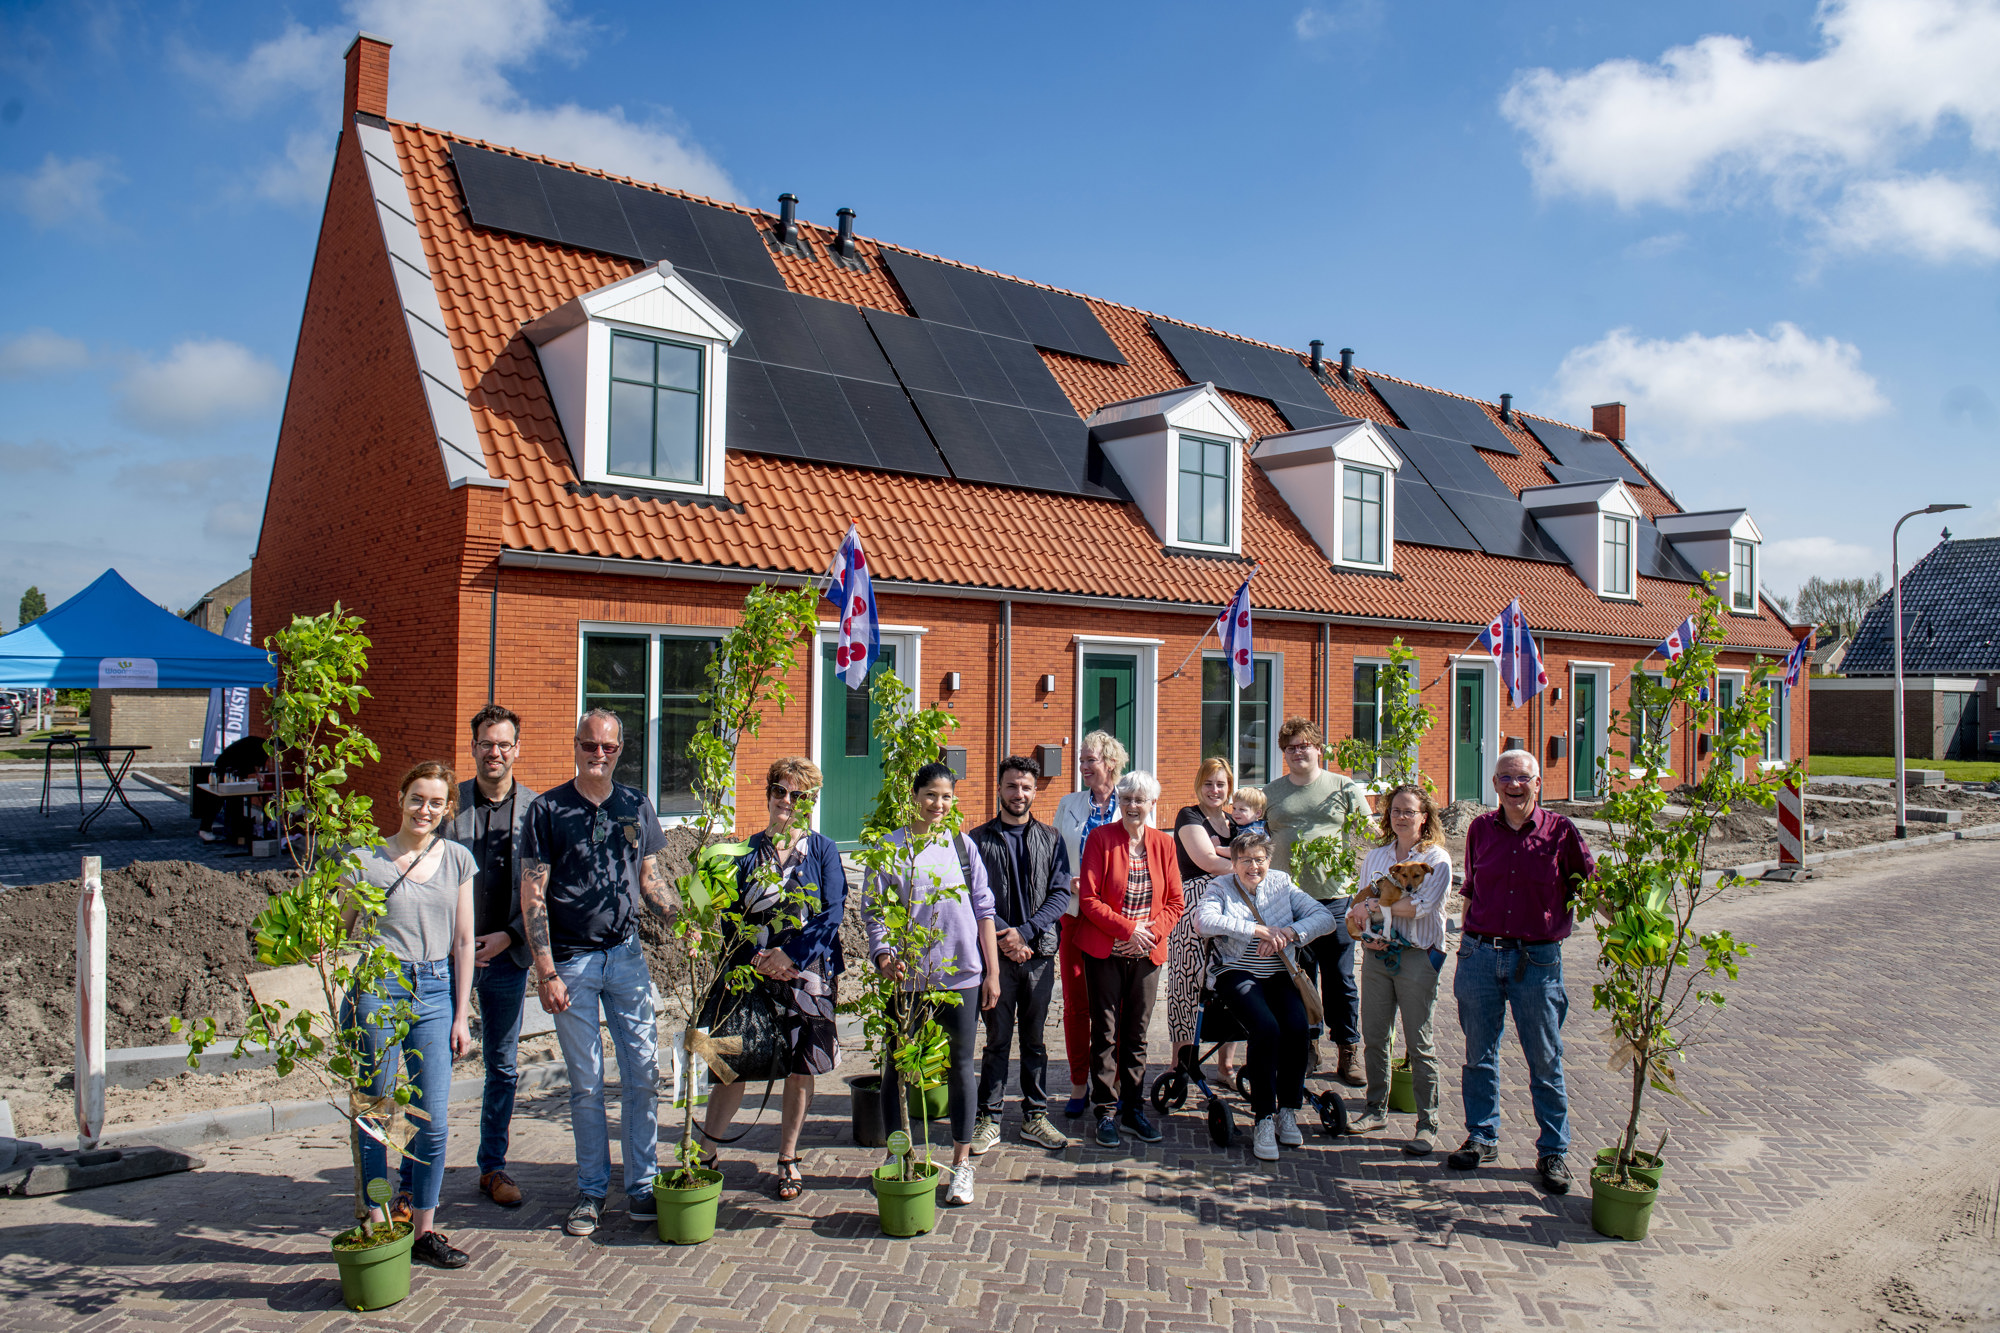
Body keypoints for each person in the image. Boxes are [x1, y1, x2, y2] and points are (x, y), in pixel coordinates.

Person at [519, 709, 683, 1238]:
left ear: (619, 751)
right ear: (576, 746)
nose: (598, 754)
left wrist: (684, 920)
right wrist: (546, 970)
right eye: (589, 745)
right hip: (571, 962)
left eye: (608, 747)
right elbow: (533, 893)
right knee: (587, 1082)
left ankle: (642, 1184)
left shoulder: (636, 804)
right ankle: (591, 1191)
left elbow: (650, 879)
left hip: (626, 956)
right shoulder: (548, 810)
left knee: (643, 1073)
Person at [342, 761, 477, 1270]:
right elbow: (340, 930)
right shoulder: (365, 860)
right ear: (400, 798)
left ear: (448, 809)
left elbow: (464, 941)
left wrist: (461, 1014)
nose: (425, 809)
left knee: (432, 1121)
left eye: (436, 802)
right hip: (379, 986)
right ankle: (379, 1220)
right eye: (417, 798)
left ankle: (424, 1229)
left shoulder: (458, 859)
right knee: (375, 1113)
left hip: (436, 989)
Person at [1448, 749, 1595, 1195]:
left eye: (1523, 778)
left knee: (1545, 1058)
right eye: (1506, 778)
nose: (1515, 785)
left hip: (1537, 961)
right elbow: (1471, 888)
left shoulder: (1561, 831)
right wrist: (1463, 948)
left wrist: (1632, 936)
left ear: (1538, 783)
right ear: (1495, 784)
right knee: (1478, 1055)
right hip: (1480, 955)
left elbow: (1589, 885)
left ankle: (1553, 1150)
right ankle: (1482, 1136)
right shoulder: (1479, 829)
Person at [701, 758, 848, 1201]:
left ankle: (787, 1157)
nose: (787, 801)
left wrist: (792, 955)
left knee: (801, 1069)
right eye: (780, 791)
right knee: (730, 1065)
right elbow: (726, 917)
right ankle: (705, 1152)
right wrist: (758, 959)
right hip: (749, 976)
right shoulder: (743, 852)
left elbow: (832, 913)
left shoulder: (823, 850)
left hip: (808, 977)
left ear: (810, 802)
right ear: (768, 794)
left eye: (798, 795)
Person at [864, 762, 1001, 1207]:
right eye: (930, 795)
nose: (938, 804)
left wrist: (992, 971)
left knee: (960, 1066)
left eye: (946, 797)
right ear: (914, 795)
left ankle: (961, 1164)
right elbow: (874, 911)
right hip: (908, 980)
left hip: (961, 976)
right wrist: (884, 955)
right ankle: (898, 1154)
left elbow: (984, 910)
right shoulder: (890, 848)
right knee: (897, 1067)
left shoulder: (962, 846)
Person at [446, 704, 538, 1210]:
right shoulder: (448, 804)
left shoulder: (537, 810)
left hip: (506, 957)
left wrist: (509, 937)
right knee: (431, 1065)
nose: (495, 752)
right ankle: (415, 1179)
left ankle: (492, 1167)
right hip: (447, 958)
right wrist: (454, 943)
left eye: (504, 744)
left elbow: (546, 892)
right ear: (473, 747)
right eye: (486, 743)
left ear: (517, 749)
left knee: (502, 1067)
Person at [1196, 831, 1336, 1161]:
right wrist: (1258, 930)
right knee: (1266, 1028)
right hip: (1235, 972)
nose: (1253, 867)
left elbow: (1326, 918)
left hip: (1278, 973)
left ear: (1269, 861)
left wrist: (1289, 932)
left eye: (1259, 860)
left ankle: (1287, 1110)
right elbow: (1204, 922)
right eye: (1245, 860)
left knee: (1298, 1027)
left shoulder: (1282, 884)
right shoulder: (1220, 887)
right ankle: (1263, 1118)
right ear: (1234, 863)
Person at [1073, 770, 1184, 1150]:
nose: (1132, 806)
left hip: (1146, 954)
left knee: (1136, 1035)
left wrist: (1149, 934)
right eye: (1126, 799)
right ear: (1119, 802)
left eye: (1140, 799)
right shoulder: (1101, 838)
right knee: (1105, 1033)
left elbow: (1175, 902)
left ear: (1152, 803)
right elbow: (1089, 899)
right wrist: (1127, 930)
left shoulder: (1164, 844)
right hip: (1106, 952)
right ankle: (1105, 1111)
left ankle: (1134, 1109)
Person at [969, 756, 1072, 1152]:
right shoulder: (978, 840)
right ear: (999, 788)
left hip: (1038, 955)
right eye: (1012, 785)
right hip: (994, 957)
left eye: (1026, 787)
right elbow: (973, 896)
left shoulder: (1051, 839)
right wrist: (1003, 936)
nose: (1019, 793)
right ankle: (989, 1118)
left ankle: (1035, 1116)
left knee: (1035, 1040)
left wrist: (1025, 932)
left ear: (1034, 791)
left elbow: (1060, 894)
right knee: (996, 1039)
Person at [1344, 784, 1453, 1156]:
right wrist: (1366, 934)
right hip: (1377, 955)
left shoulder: (1436, 859)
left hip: (1417, 957)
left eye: (1409, 811)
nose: (1401, 817)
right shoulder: (1376, 857)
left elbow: (1420, 907)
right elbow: (1360, 904)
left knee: (1419, 1042)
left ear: (1424, 817)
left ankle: (1427, 1123)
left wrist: (1375, 908)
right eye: (1395, 810)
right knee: (1375, 1036)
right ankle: (1375, 1110)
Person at [1263, 718, 1371, 1087]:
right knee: (1299, 978)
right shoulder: (1271, 793)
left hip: (1334, 898)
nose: (1298, 752)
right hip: (1288, 902)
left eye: (1304, 745)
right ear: (1284, 753)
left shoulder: (1343, 787)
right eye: (1291, 747)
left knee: (1341, 978)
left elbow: (1370, 833)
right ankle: (1306, 1045)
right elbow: (1254, 838)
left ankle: (1348, 1048)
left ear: (1319, 749)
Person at [1051, 731, 1126, 1116]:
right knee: (1076, 1002)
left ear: (1110, 763)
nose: (1083, 767)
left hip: (1115, 917)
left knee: (1116, 1004)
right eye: (1081, 760)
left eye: (1090, 760)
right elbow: (1054, 858)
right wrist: (1067, 882)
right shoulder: (1069, 804)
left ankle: (1114, 1081)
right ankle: (1079, 1082)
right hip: (1075, 914)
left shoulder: (1130, 802)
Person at [1167, 758, 1238, 1086]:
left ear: (1229, 787)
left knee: (1231, 982)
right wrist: (1249, 867)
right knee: (1187, 982)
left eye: (1221, 784)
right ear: (1199, 785)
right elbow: (1206, 860)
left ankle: (1225, 1066)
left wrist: (1248, 866)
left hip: (1233, 908)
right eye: (1209, 783)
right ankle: (1179, 1063)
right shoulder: (1189, 815)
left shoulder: (1235, 822)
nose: (1214, 790)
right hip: (1194, 909)